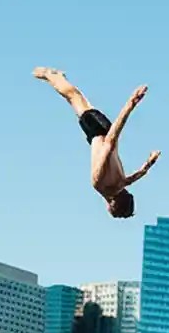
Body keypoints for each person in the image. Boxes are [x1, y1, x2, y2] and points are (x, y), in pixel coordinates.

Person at [33, 67, 160, 219]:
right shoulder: (99, 182)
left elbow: (136, 176)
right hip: (98, 130)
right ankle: (50, 75)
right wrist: (130, 105)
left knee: (78, 98)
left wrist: (149, 163)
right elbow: (109, 144)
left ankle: (58, 77)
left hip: (98, 132)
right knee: (73, 97)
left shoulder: (120, 184)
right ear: (112, 204)